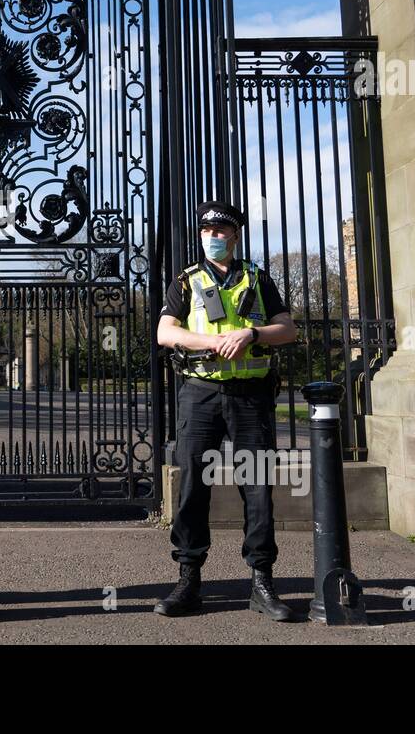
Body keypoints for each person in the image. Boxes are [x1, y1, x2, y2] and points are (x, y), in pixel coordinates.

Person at [153, 201, 299, 621]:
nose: (213, 237)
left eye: (221, 231)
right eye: (207, 232)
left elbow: (288, 329)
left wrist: (251, 332)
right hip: (200, 393)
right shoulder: (186, 281)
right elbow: (165, 332)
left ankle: (261, 581)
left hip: (250, 396)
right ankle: (188, 579)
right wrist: (211, 342)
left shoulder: (257, 277)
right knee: (192, 487)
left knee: (256, 487)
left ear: (235, 235)